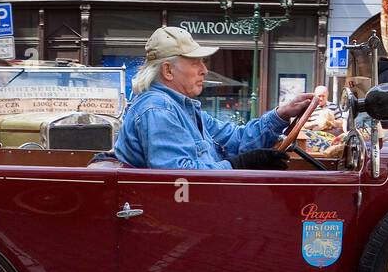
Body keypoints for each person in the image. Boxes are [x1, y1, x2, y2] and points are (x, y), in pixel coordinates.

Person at [114, 26, 314, 171]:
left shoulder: (184, 108)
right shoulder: (158, 109)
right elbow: (178, 176)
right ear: (168, 70)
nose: (204, 70)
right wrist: (240, 164)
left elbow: (237, 140)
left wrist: (281, 114)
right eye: (195, 63)